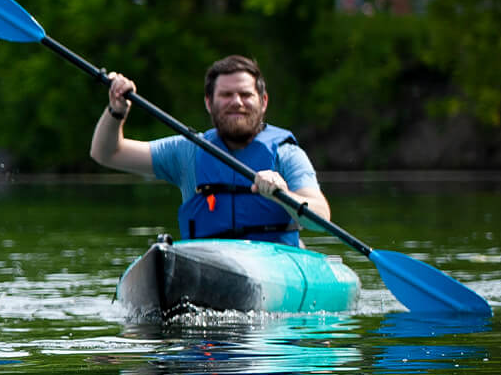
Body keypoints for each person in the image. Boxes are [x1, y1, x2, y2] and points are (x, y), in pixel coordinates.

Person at [90, 55, 331, 245]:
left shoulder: (286, 154)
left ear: (263, 101)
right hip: (207, 264)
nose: (237, 102)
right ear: (209, 102)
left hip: (275, 268)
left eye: (246, 94)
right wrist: (117, 110)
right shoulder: (187, 151)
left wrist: (285, 194)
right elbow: (108, 153)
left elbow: (322, 217)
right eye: (226, 95)